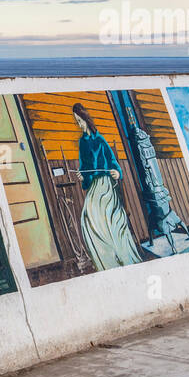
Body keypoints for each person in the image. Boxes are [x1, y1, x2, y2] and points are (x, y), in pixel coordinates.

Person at [73, 103, 142, 270]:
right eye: (76, 122)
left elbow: (112, 161)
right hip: (94, 186)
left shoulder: (100, 139)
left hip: (105, 185)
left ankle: (122, 256)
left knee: (107, 218)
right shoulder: (82, 142)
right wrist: (83, 176)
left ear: (86, 119)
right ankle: (107, 262)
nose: (79, 124)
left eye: (80, 120)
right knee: (88, 217)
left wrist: (117, 173)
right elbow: (84, 166)